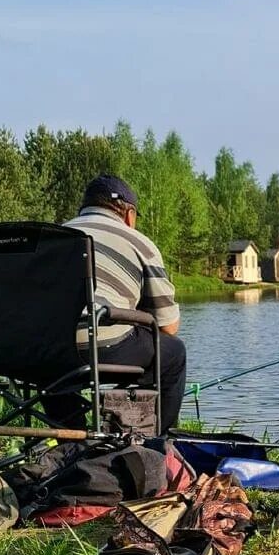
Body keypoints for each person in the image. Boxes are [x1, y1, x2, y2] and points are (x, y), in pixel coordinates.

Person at [47, 174, 187, 433]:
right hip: (101, 347)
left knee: (55, 364)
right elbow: (168, 327)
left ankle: (73, 443)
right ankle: (156, 440)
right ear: (129, 214)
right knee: (173, 354)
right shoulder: (139, 242)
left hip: (41, 353)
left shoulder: (53, 237)